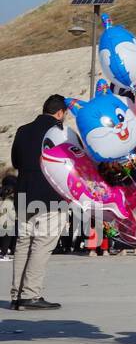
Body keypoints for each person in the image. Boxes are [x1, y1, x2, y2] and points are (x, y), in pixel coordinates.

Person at [9, 95, 69, 310]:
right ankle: (31, 294)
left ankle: (17, 294)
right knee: (42, 244)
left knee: (23, 243)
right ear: (60, 113)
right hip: (51, 195)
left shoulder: (23, 130)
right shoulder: (61, 132)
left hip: (24, 192)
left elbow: (15, 161)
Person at [0, 169, 17, 261]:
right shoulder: (9, 201)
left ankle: (3, 252)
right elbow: (11, 213)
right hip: (7, 224)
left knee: (2, 239)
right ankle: (3, 254)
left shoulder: (2, 197)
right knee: (6, 240)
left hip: (2, 223)